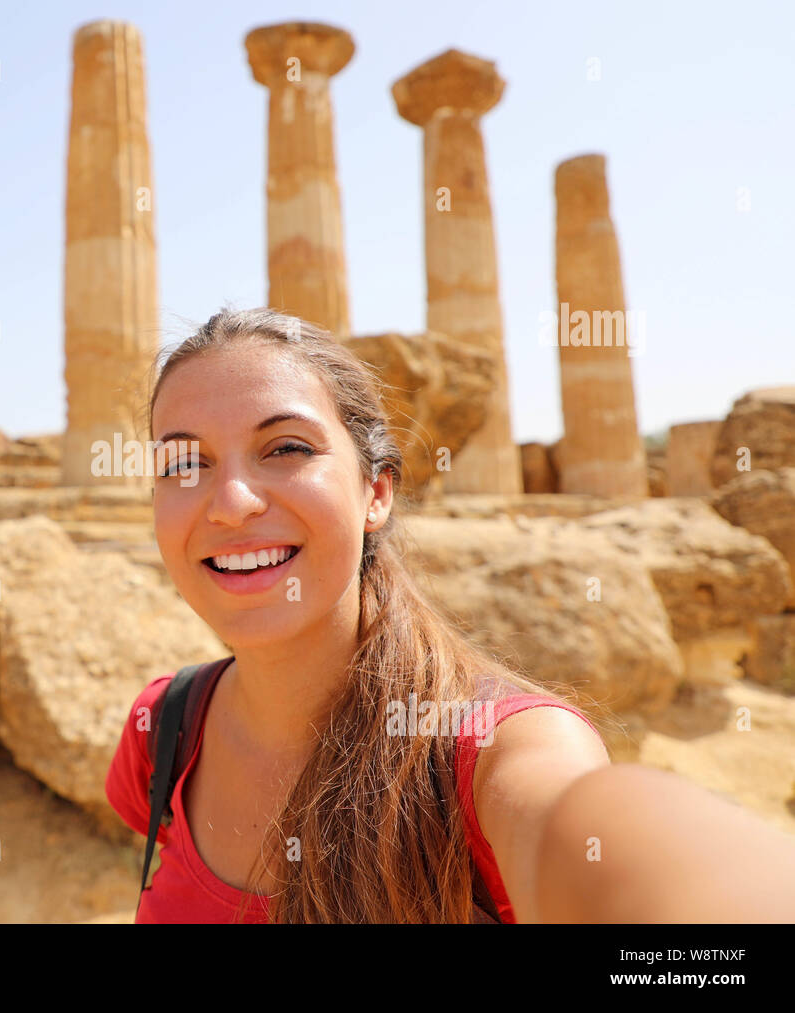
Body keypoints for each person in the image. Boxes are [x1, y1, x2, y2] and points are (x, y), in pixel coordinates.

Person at [105, 306, 795, 924]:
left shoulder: (497, 753)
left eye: (286, 447)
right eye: (184, 462)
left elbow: (581, 829)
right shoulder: (164, 731)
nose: (230, 500)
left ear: (376, 491)